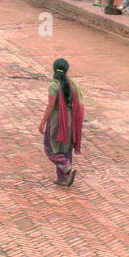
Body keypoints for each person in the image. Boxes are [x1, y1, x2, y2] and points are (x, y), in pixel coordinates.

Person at [38, 58, 84, 186]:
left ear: (54, 69)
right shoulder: (73, 84)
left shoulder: (54, 86)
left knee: (51, 147)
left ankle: (67, 167)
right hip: (70, 119)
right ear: (66, 70)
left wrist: (43, 122)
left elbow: (51, 105)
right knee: (65, 148)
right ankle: (63, 178)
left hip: (57, 120)